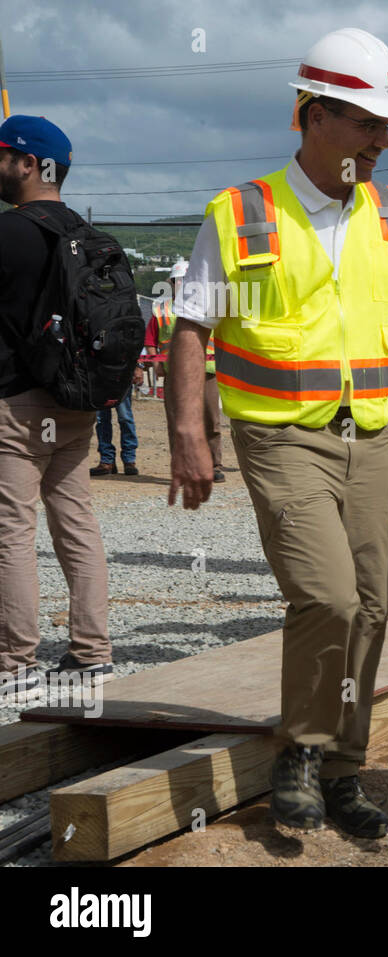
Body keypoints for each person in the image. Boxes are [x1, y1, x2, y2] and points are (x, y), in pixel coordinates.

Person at [168, 28, 388, 837]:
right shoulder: (241, 213)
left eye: (387, 125)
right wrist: (191, 431)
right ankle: (298, 749)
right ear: (314, 114)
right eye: (368, 122)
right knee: (326, 594)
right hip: (279, 435)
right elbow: (191, 327)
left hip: (368, 434)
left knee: (370, 604)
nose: (384, 138)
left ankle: (342, 766)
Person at [0, 115, 113, 695]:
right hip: (75, 404)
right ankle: (92, 651)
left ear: (28, 164)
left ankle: (15, 664)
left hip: (16, 405)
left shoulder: (9, 233)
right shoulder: (87, 234)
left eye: (1, 154)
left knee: (11, 530)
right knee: (75, 521)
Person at [148, 259, 226, 481]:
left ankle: (213, 465)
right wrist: (156, 363)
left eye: (185, 279)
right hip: (174, 374)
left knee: (210, 419)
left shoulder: (210, 306)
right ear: (171, 283)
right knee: (176, 422)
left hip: (208, 371)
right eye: (178, 280)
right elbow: (151, 339)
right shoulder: (160, 310)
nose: (182, 284)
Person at [91, 363, 144, 476]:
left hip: (122, 375)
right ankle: (107, 461)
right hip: (99, 375)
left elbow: (134, 346)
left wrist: (139, 366)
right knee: (101, 419)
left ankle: (129, 460)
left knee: (125, 418)